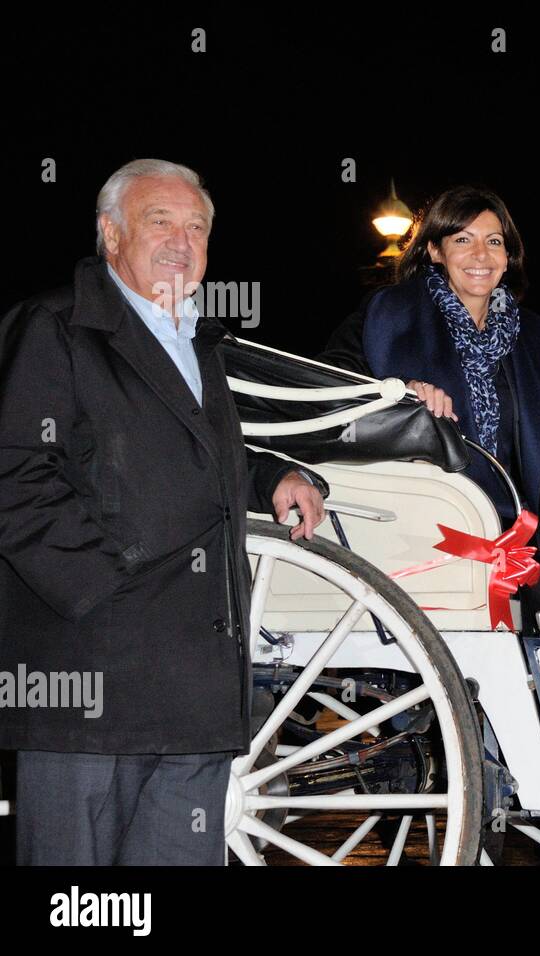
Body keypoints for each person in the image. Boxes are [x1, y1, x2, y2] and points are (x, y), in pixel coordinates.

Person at [0, 158, 326, 865]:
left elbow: (183, 454)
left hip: (198, 689)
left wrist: (268, 476)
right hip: (92, 684)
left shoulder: (195, 341)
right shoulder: (54, 327)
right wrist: (105, 594)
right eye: (160, 221)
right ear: (110, 234)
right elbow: (16, 476)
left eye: (198, 226)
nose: (183, 240)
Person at [318, 185, 540, 640]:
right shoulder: (387, 315)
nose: (481, 254)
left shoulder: (532, 337)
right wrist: (399, 392)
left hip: (517, 516)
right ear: (434, 250)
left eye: (494, 241)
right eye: (462, 239)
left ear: (509, 256)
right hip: (431, 515)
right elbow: (332, 393)